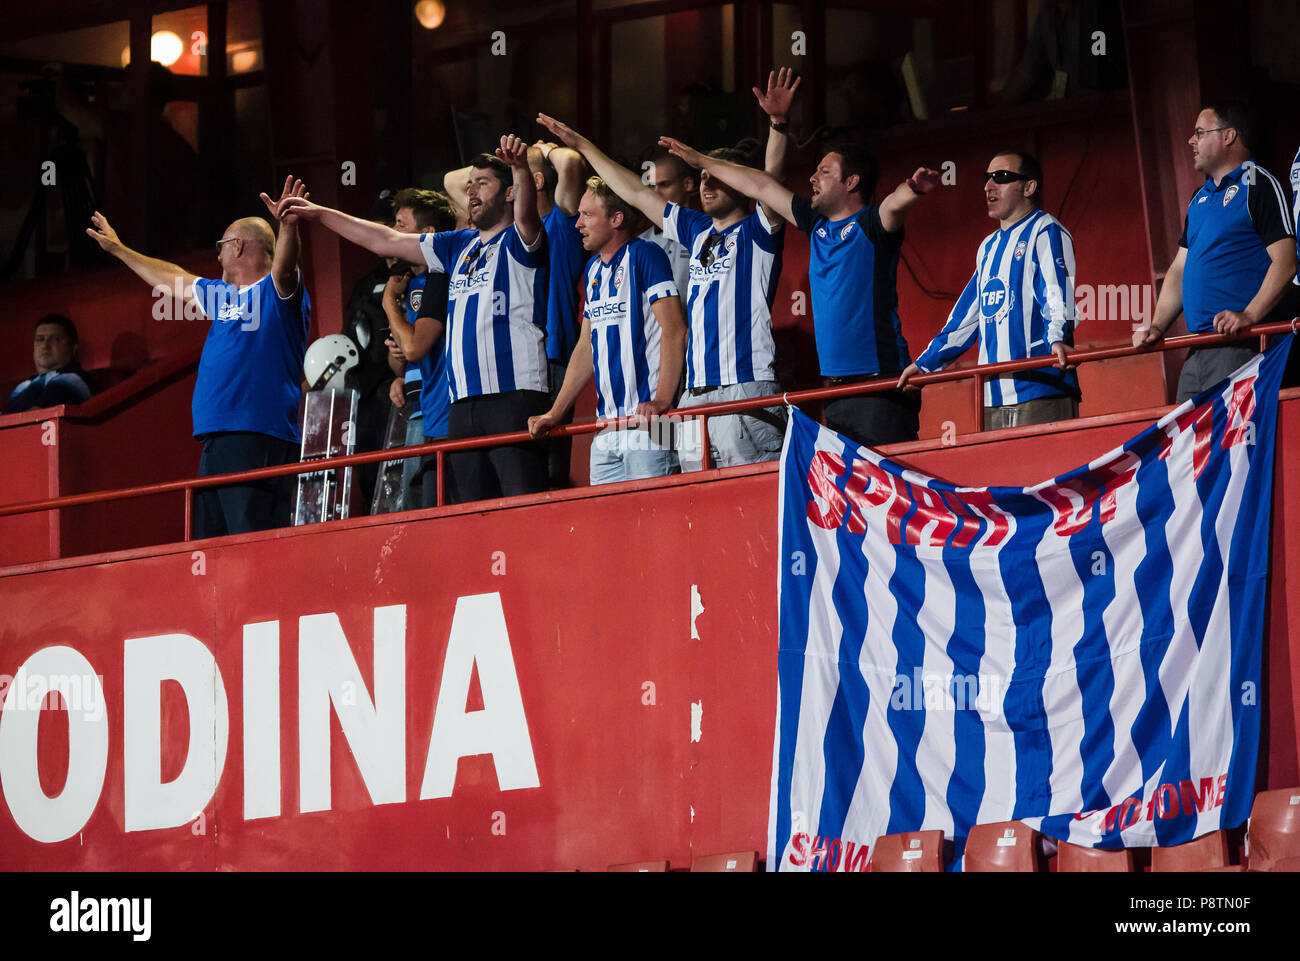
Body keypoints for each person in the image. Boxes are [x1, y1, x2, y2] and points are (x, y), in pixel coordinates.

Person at [536, 69, 799, 470]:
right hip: (692, 396)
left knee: (748, 509)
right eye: (704, 177)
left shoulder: (758, 232)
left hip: (744, 388)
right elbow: (638, 193)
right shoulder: (695, 231)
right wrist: (585, 148)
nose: (707, 184)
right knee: (692, 511)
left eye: (719, 178)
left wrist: (777, 125)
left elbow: (770, 183)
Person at [280, 137, 550, 504]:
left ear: (509, 193)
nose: (470, 191)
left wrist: (519, 167)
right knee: (473, 517)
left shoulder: (523, 239)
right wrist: (318, 214)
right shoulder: (457, 246)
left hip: (514, 396)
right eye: (469, 184)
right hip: (463, 405)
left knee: (524, 509)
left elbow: (527, 213)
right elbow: (384, 240)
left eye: (482, 183)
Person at [657, 135, 939, 448]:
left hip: (880, 385)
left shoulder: (872, 224)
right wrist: (707, 159)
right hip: (834, 392)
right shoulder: (814, 221)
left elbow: (894, 205)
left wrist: (912, 189)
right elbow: (763, 186)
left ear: (851, 181)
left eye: (824, 172)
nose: (812, 178)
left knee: (889, 490)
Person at [85, 177, 310, 537]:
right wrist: (120, 250)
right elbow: (174, 279)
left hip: (256, 435)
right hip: (217, 441)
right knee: (213, 547)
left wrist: (287, 227)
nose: (216, 254)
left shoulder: (276, 291)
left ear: (237, 247)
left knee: (252, 543)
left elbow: (285, 266)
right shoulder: (224, 297)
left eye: (220, 246)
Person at [898, 152, 1080, 429]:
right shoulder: (988, 246)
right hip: (991, 395)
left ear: (1029, 187)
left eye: (1002, 177)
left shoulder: (1046, 230)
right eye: (987, 178)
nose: (988, 186)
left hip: (1041, 389)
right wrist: (926, 363)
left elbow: (1055, 292)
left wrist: (1057, 336)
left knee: (1042, 472)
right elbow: (968, 315)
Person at [1132, 103, 1296, 401]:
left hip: (1240, 346)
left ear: (1228, 136)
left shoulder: (1259, 184)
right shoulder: (1199, 198)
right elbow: (1179, 269)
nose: (1190, 141)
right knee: (1188, 443)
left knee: (1230, 443)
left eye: (1199, 132)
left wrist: (1249, 314)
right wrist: (1157, 325)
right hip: (1197, 350)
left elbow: (1286, 263)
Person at [449, 141, 590, 487]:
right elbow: (452, 182)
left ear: (536, 180)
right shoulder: (495, 235)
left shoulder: (560, 224)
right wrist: (500, 170)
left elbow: (570, 162)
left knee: (542, 474)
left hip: (551, 360)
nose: (473, 191)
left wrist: (547, 147)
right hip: (503, 374)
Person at [527, 177, 686, 483]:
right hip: (606, 428)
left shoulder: (647, 255)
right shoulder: (593, 270)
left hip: (651, 426)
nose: (578, 224)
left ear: (616, 219)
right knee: (608, 528)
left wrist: (662, 401)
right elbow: (587, 346)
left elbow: (675, 329)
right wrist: (555, 412)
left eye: (587, 215)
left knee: (654, 525)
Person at [381, 188, 457, 508]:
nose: (392, 233)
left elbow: (414, 347)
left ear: (426, 233)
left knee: (431, 504)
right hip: (417, 408)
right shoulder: (408, 282)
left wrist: (388, 304)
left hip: (441, 413)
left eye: (401, 224)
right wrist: (397, 367)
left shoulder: (444, 277)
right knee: (414, 503)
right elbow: (403, 361)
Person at [639, 145, 698, 295]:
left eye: (664, 185)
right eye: (651, 186)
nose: (656, 193)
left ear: (687, 184)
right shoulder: (640, 243)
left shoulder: (706, 234)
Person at [5, 314, 93, 413]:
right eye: (40, 339)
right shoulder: (22, 386)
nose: (45, 345)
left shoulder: (74, 380)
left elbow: (38, 416)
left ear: (73, 348)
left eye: (56, 339)